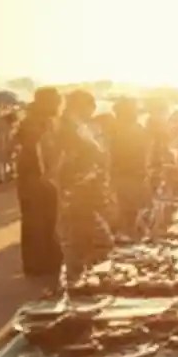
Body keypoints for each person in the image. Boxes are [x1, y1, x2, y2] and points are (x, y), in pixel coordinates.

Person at [53, 90, 114, 282]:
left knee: (83, 237)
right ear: (80, 106)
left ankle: (79, 278)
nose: (93, 110)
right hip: (79, 188)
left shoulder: (76, 126)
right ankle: (77, 280)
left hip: (84, 187)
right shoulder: (67, 128)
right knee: (84, 237)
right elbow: (64, 159)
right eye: (91, 106)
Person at [14, 88, 64, 276]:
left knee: (48, 220)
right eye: (56, 101)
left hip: (41, 178)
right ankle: (37, 265)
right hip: (34, 179)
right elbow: (36, 151)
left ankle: (47, 261)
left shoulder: (43, 121)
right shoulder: (33, 123)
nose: (59, 105)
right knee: (36, 222)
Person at [108, 98, 151, 235]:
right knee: (131, 210)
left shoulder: (114, 130)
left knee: (125, 210)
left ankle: (127, 234)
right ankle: (130, 235)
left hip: (122, 175)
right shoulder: (137, 129)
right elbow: (145, 154)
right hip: (132, 175)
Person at [0, 110, 16, 183]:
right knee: (1, 161)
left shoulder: (2, 124)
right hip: (0, 147)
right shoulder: (4, 126)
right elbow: (3, 139)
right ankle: (1, 177)